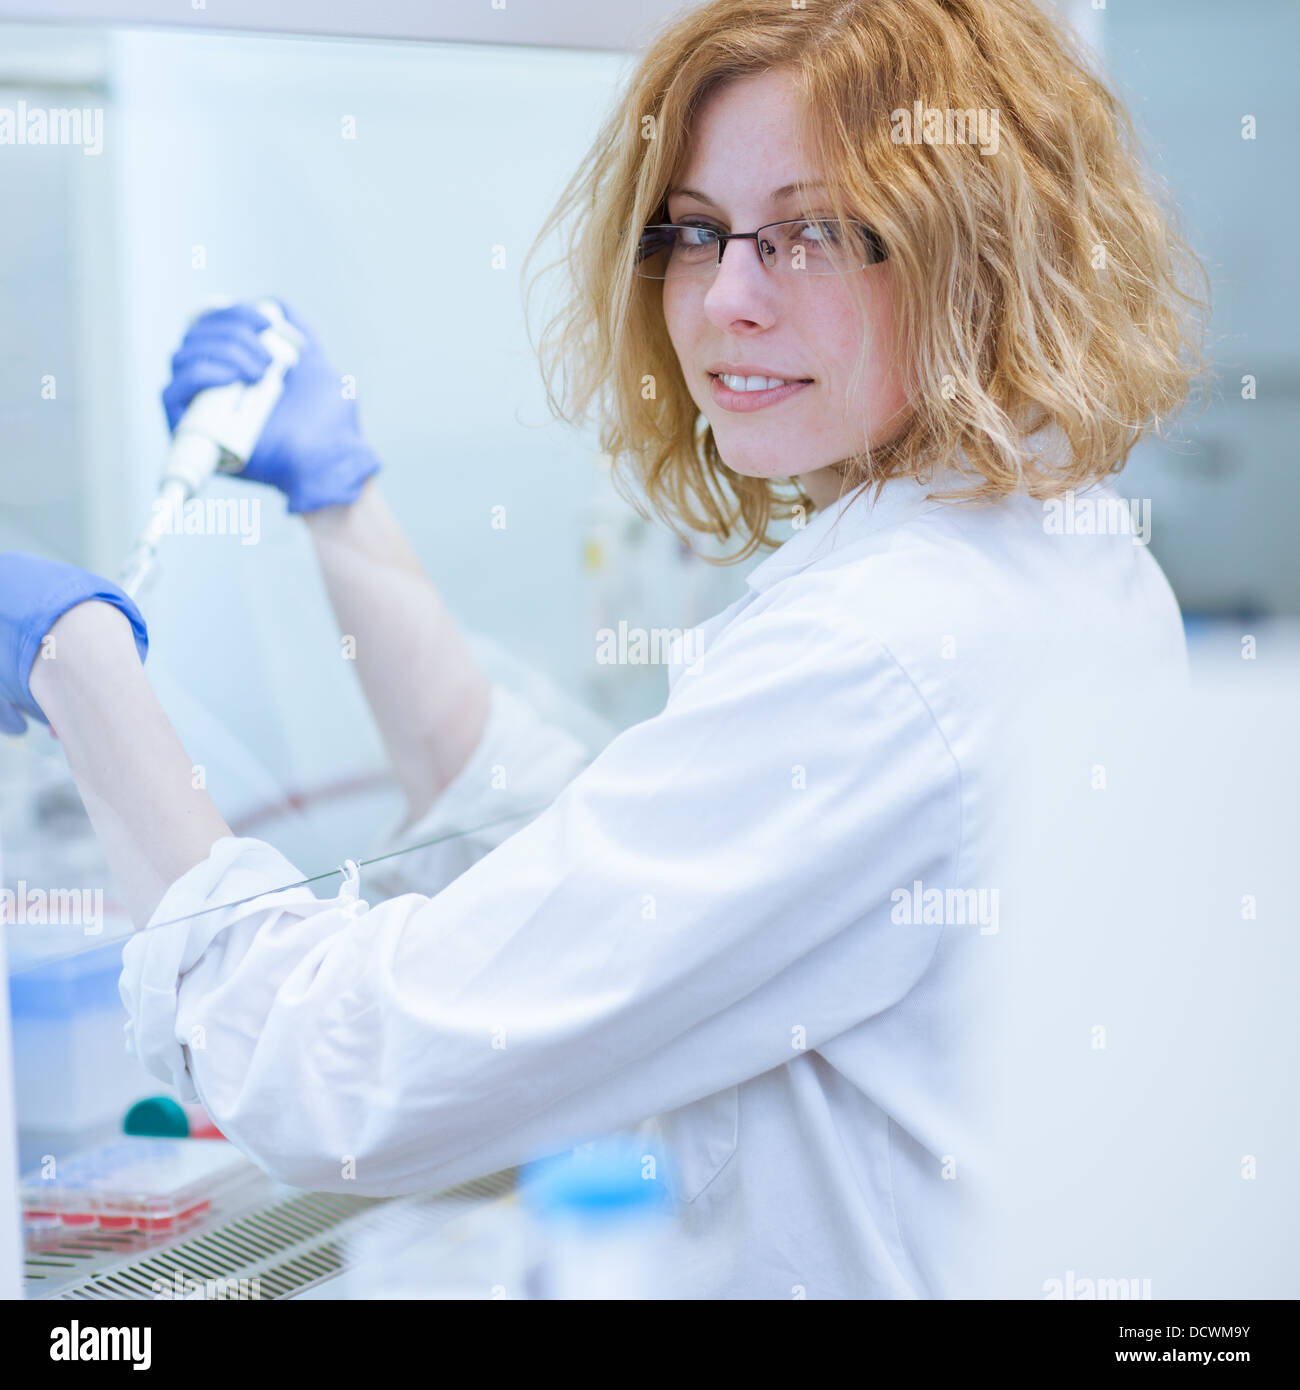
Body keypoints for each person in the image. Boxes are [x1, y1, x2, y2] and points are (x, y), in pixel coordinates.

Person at [0, 0, 1206, 1297]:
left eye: (811, 232)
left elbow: (345, 1067)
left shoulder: (884, 650)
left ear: (978, 250)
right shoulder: (1056, 549)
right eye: (694, 230)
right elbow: (619, 875)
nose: (727, 298)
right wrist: (341, 503)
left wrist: (74, 661)